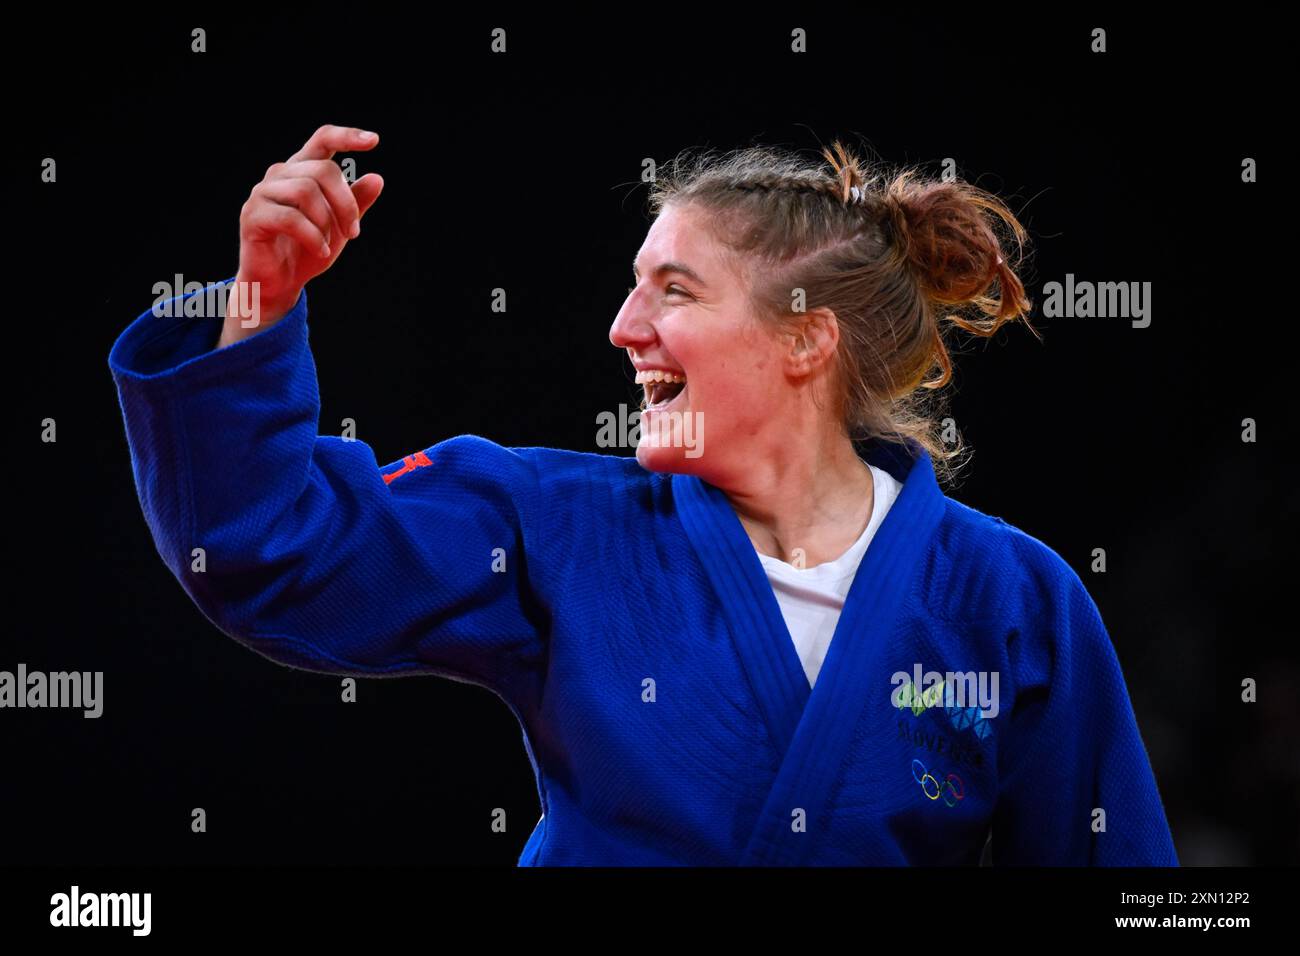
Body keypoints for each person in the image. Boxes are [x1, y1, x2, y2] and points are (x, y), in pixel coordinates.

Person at [108, 125, 1178, 866]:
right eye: (632, 286)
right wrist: (261, 298)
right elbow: (268, 550)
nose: (622, 328)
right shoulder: (551, 524)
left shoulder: (1013, 603)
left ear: (805, 336)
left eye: (673, 290)